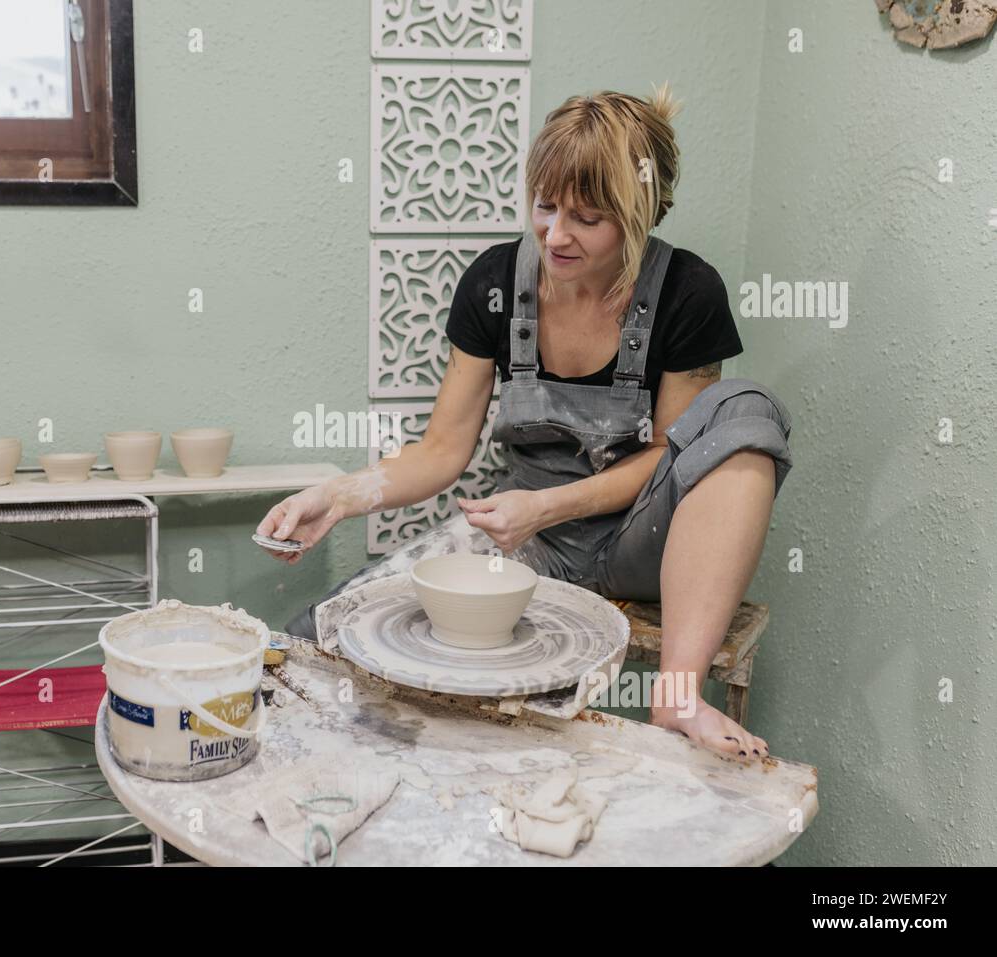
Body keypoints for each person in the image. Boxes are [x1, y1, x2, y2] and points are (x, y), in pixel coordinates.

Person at [256, 86, 792, 764]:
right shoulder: (495, 284)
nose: (555, 234)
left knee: (749, 411)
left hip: (646, 540)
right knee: (318, 637)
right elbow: (444, 449)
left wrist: (549, 504)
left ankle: (678, 695)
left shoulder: (688, 292)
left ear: (638, 213)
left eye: (587, 217)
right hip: (532, 541)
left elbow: (667, 455)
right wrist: (337, 495)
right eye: (545, 206)